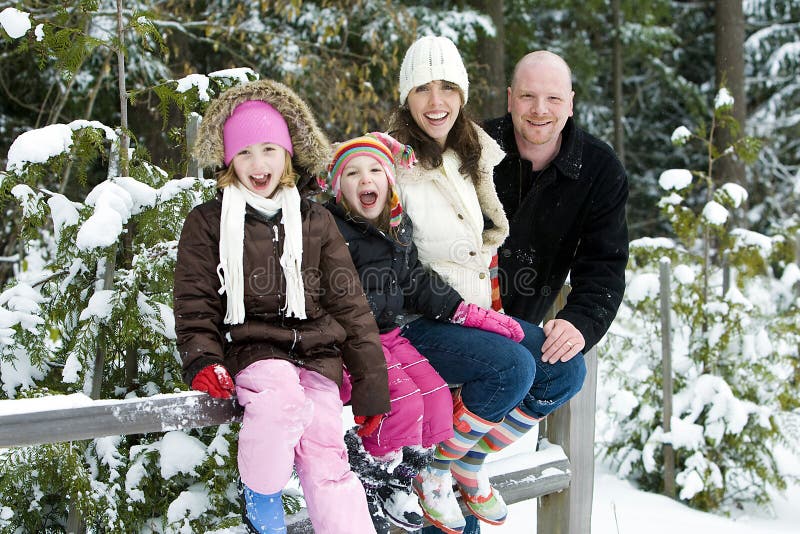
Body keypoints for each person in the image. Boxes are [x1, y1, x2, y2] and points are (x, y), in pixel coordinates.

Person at [173, 79, 390, 534]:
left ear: (288, 155)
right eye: (245, 152)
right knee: (281, 400)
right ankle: (264, 503)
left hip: (315, 352)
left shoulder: (315, 220)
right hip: (251, 347)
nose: (258, 163)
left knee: (326, 448)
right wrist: (203, 357)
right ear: (228, 159)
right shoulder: (208, 223)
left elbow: (350, 305)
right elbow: (194, 298)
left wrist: (371, 386)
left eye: (269, 149)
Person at [388, 36, 587, 534]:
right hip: (412, 325)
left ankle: (463, 462)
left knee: (563, 370)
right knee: (511, 366)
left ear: (464, 94)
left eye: (448, 88)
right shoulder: (387, 161)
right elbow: (381, 260)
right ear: (405, 97)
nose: (437, 103)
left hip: (469, 319)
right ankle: (433, 472)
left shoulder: (470, 154)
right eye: (424, 89)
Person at [323, 132, 525, 533]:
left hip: (389, 336)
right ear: (337, 189)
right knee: (407, 402)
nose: (366, 180)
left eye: (376, 169)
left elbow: (416, 282)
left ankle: (411, 476)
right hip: (350, 342)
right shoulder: (328, 229)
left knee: (434, 399)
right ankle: (373, 471)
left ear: (390, 181)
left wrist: (467, 313)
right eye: (352, 173)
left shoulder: (398, 228)